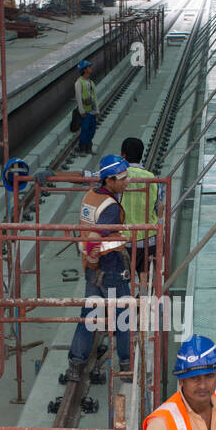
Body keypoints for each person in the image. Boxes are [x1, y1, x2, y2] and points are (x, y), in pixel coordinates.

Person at [64, 154, 131, 381]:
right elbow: (95, 238)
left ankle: (75, 363)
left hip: (93, 268)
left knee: (89, 315)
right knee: (124, 315)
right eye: (121, 178)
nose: (126, 181)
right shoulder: (111, 207)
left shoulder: (91, 196)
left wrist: (91, 266)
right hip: (109, 268)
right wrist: (96, 262)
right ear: (109, 180)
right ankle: (126, 363)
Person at [119, 137, 164, 288]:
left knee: (121, 280)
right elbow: (160, 207)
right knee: (145, 278)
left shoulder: (117, 176)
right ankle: (144, 303)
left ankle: (123, 305)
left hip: (125, 241)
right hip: (149, 240)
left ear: (123, 156)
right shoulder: (152, 178)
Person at [75, 60, 98, 155]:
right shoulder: (79, 83)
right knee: (85, 129)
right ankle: (82, 148)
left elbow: (94, 97)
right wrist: (81, 111)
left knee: (92, 130)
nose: (91, 68)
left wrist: (97, 109)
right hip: (85, 112)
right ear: (84, 70)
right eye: (89, 67)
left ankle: (89, 146)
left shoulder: (91, 82)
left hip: (92, 111)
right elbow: (78, 97)